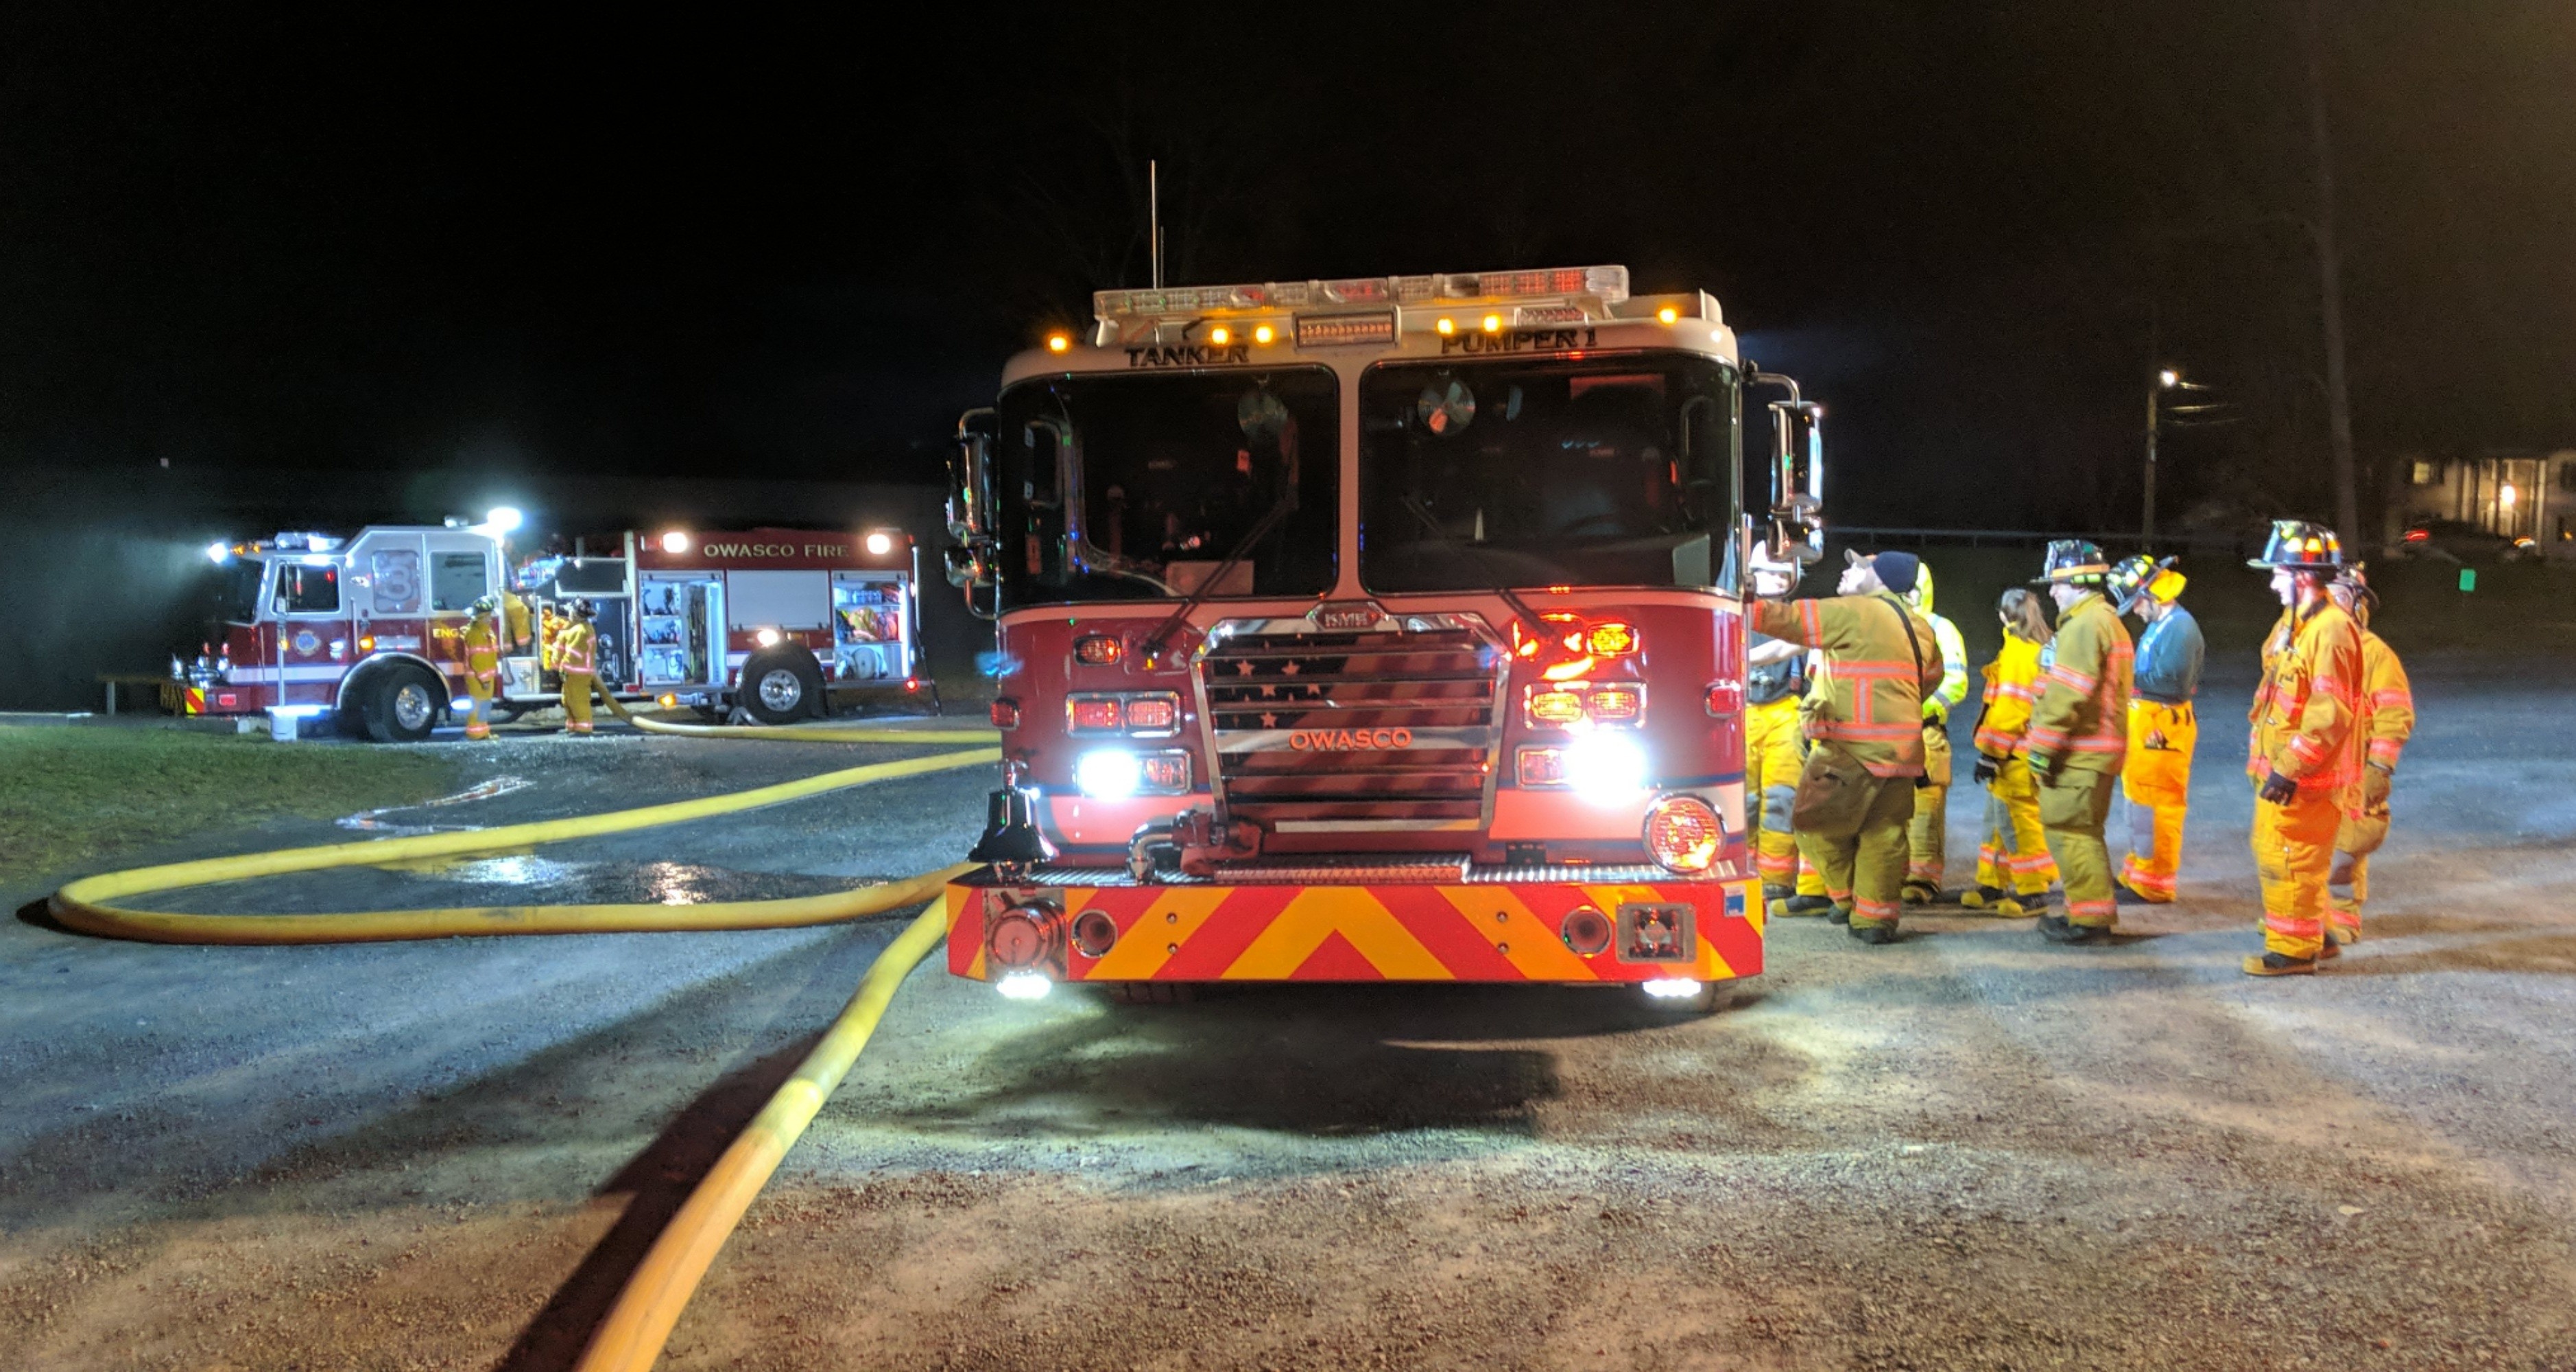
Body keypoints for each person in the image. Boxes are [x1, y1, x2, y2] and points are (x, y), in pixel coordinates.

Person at [1748, 547, 1946, 944]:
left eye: (1858, 568)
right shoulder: (1919, 626)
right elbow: (1932, 679)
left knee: (1812, 824)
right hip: (1903, 752)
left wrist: (1739, 599)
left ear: (1881, 578)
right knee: (1883, 834)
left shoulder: (1855, 611)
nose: (1848, 572)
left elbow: (1782, 619)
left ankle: (1844, 898)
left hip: (1852, 748)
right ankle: (1874, 920)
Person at [2242, 520, 2367, 976]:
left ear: (2301, 578)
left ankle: (2294, 951)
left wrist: (2289, 768)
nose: (2272, 582)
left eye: (2277, 573)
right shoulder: (2300, 621)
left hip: (2306, 780)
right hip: (2290, 775)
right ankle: (2322, 936)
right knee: (2283, 852)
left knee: (2289, 859)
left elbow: (2328, 713)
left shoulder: (2330, 630)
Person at [2024, 540, 2134, 944]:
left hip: (2080, 754)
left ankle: (2089, 922)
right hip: (2096, 751)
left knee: (2071, 832)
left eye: (2058, 583)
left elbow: (2067, 695)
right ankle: (2088, 914)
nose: (2052, 592)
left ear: (2080, 583)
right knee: (2082, 832)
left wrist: (2040, 750)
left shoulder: (2085, 626)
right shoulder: (2104, 621)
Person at [2105, 554, 2206, 903]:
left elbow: (2172, 683)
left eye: (2136, 603)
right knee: (2140, 803)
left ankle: (2155, 882)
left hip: (2163, 729)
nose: (2135, 611)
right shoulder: (2162, 625)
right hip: (2149, 727)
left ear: (2150, 595)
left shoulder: (2180, 628)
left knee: (2158, 806)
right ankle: (2138, 871)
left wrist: (2120, 676)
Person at [2326, 563, 2413, 947]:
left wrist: (2380, 766)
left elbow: (2394, 713)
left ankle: (2341, 918)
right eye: (2328, 594)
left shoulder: (2375, 654)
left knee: (2347, 848)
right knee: (2306, 847)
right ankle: (2308, 915)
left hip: (2354, 766)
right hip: (2314, 765)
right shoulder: (2308, 643)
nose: (2333, 603)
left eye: (2342, 596)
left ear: (2358, 605)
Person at [1962, 589, 2061, 914]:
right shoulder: (2032, 646)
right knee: (1997, 821)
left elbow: (2011, 708)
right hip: (2017, 753)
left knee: (2018, 823)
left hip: (2015, 756)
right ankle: (1991, 882)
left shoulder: (2020, 651)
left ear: (2006, 616)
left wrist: (1991, 754)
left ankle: (2033, 890)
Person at [1742, 546, 1813, 916]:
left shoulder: (1796, 615)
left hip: (1786, 711)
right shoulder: (1734, 611)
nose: (1780, 581)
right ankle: (1743, 868)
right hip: (1743, 712)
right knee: (1743, 801)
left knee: (1782, 799)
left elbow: (1797, 643)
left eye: (1785, 575)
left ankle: (1776, 877)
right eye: (1771, 573)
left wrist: (1746, 658)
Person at [1901, 563, 1971, 903]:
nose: (1906, 597)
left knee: (1926, 809)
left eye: (1910, 590)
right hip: (1889, 734)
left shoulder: (1941, 628)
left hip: (1925, 734)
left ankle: (1922, 880)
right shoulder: (1889, 625)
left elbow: (1956, 683)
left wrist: (1918, 711)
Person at [461, 595, 502, 742]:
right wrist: (484, 679)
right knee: (478, 706)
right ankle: (474, 734)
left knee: (484, 705)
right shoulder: (475, 634)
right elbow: (477, 660)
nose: (490, 619)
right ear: (480, 617)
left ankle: (483, 732)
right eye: (487, 616)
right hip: (478, 678)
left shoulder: (485, 632)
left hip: (486, 677)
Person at [558, 598, 601, 735]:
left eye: (570, 611)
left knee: (578, 701)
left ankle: (584, 729)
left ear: (576, 614)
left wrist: (562, 668)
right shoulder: (582, 628)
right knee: (569, 699)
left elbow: (573, 655)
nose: (568, 614)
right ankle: (572, 726)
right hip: (576, 673)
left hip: (577, 673)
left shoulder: (580, 631)